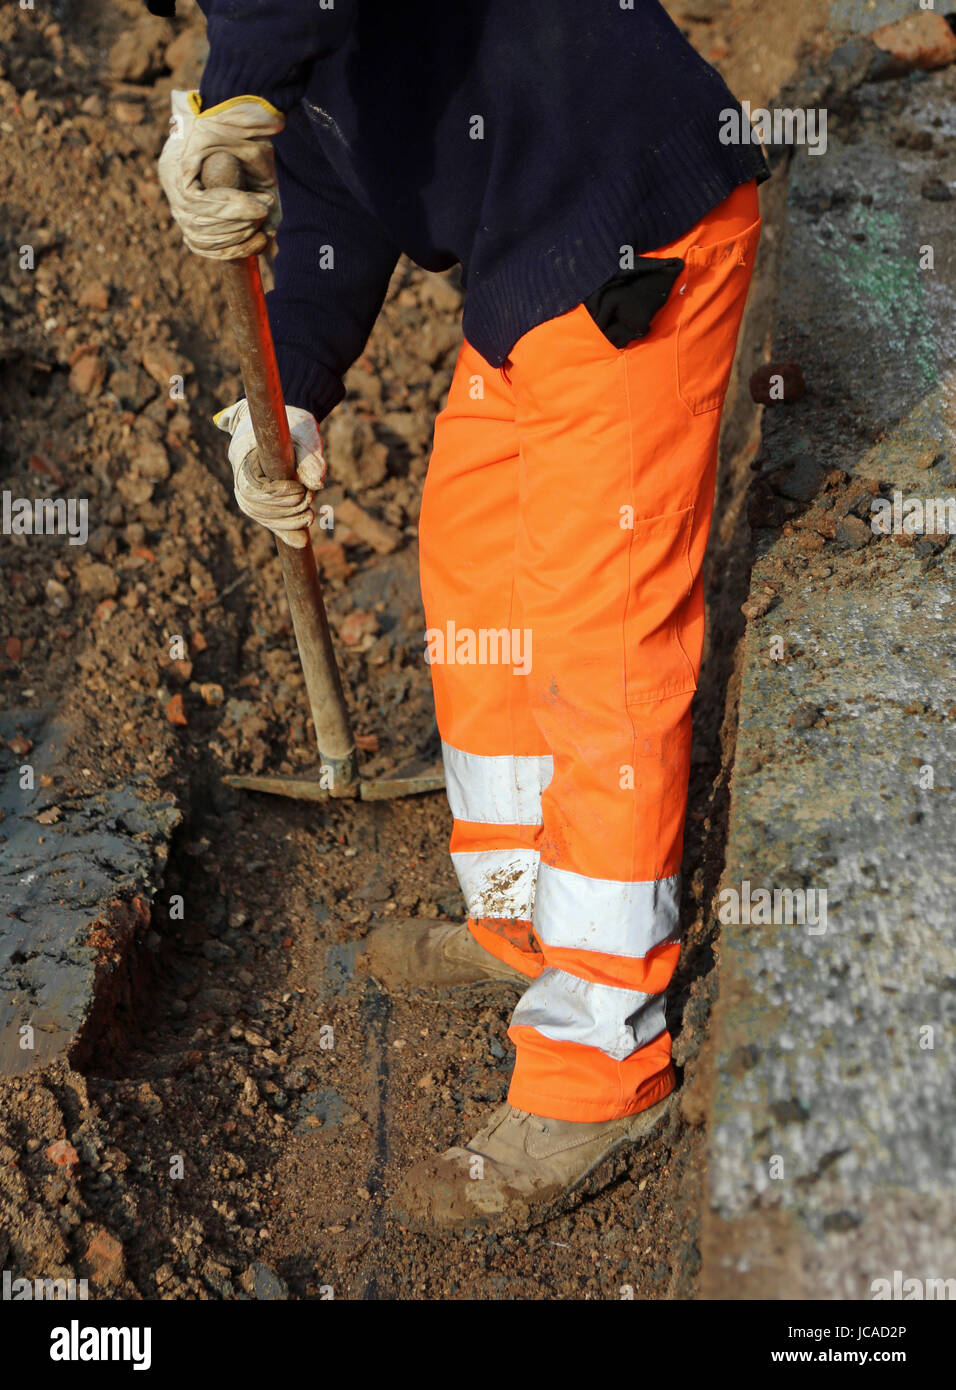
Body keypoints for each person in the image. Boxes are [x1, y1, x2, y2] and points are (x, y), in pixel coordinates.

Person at [155, 0, 768, 1233]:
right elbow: (335, 214)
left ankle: (601, 1062)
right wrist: (294, 398)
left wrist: (234, 89)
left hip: (628, 235)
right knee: (480, 564)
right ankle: (522, 915)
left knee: (600, 647)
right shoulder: (287, 47)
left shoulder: (266, 27)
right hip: (529, 277)